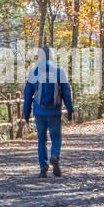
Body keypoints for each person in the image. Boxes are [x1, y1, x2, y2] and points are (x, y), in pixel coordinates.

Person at [22, 46, 73, 178]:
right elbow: (67, 93)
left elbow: (28, 95)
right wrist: (70, 110)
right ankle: (55, 155)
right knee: (56, 138)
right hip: (55, 113)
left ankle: (43, 169)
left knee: (41, 140)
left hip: (39, 113)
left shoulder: (34, 72)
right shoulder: (59, 72)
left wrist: (26, 113)